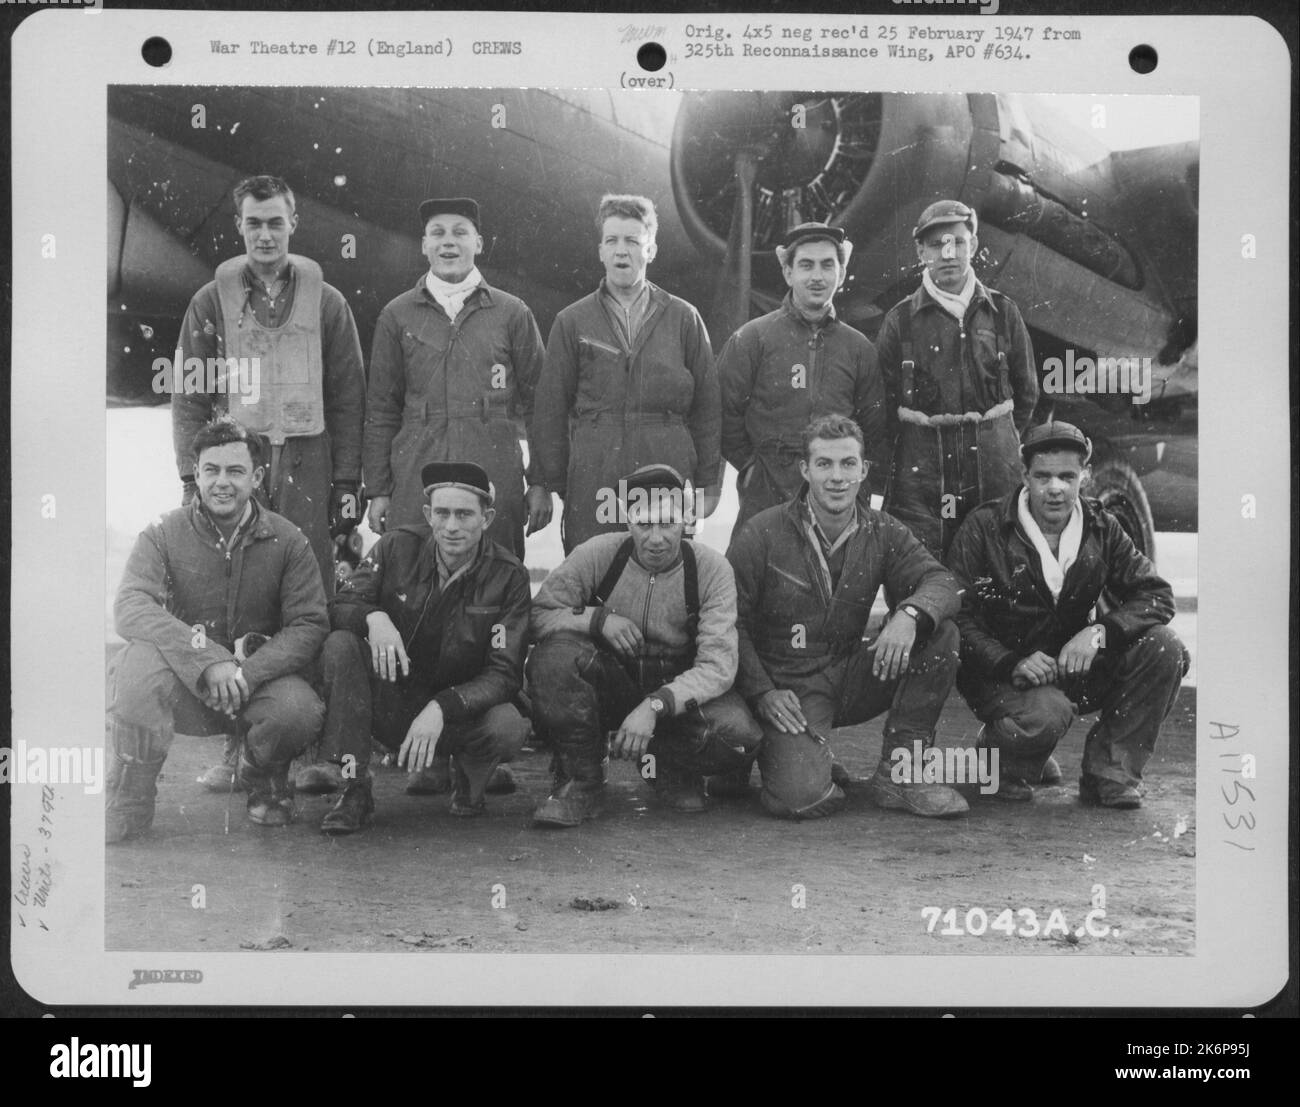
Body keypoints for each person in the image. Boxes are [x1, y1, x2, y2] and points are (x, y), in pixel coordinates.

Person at [172, 175, 365, 793]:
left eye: (275, 222)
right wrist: (190, 477)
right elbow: (190, 397)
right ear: (239, 227)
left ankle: (309, 746)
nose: (264, 234)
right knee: (235, 597)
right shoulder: (210, 301)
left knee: (307, 599)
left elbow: (349, 397)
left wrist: (345, 481)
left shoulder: (328, 303)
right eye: (254, 223)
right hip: (239, 464)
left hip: (309, 462)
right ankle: (244, 746)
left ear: (293, 224)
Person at [727, 414, 967, 819]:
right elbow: (730, 622)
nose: (837, 477)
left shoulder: (883, 530)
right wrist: (760, 692)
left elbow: (942, 581)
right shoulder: (762, 532)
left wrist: (909, 615)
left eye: (848, 464)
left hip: (850, 675)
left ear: (864, 470)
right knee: (800, 798)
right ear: (805, 469)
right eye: (824, 464)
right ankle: (784, 756)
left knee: (940, 632)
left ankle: (900, 773)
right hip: (789, 690)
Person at [107, 417, 328, 842]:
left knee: (298, 711)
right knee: (134, 672)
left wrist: (247, 672)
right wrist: (207, 659)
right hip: (187, 685)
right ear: (196, 473)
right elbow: (131, 606)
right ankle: (132, 795)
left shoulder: (289, 540)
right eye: (211, 471)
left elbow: (309, 623)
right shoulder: (162, 533)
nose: (221, 483)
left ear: (257, 476)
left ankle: (262, 775)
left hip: (253, 685)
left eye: (235, 471)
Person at [945, 421, 1188, 807]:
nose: (1055, 488)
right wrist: (1010, 662)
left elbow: (1156, 595)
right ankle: (999, 757)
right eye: (1043, 476)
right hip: (1003, 676)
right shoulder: (984, 526)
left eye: (1066, 476)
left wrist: (1099, 634)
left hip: (1071, 668)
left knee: (1164, 647)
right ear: (1024, 475)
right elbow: (956, 612)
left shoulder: (1103, 527)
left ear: (1084, 478)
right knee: (1043, 718)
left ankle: (1110, 773)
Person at [527, 465, 761, 827]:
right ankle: (583, 780)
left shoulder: (712, 569)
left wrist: (654, 706)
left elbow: (719, 665)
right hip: (613, 683)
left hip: (674, 696)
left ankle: (667, 766)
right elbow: (540, 614)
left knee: (738, 736)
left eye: (667, 522)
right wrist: (595, 619)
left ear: (685, 518)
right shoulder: (597, 554)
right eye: (644, 523)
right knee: (553, 660)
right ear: (627, 519)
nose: (656, 538)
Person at [315, 462, 532, 833]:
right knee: (341, 645)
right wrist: (374, 618)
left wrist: (442, 706)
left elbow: (504, 673)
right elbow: (341, 605)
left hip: (459, 713)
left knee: (508, 724)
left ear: (487, 517)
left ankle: (468, 776)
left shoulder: (508, 575)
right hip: (397, 704)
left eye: (465, 514)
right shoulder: (396, 547)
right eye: (443, 513)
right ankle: (355, 788)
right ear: (428, 515)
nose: (452, 526)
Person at [363, 197, 551, 557]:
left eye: (460, 232)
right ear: (424, 245)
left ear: (479, 243)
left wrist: (540, 481)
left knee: (495, 582)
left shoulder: (513, 313)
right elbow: (381, 411)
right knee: (412, 582)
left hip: (495, 477)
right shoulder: (397, 316)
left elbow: (539, 403)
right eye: (438, 233)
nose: (448, 241)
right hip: (416, 478)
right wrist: (379, 490)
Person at [533, 194, 721, 552]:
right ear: (600, 251)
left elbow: (708, 408)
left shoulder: (684, 318)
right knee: (593, 569)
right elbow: (550, 407)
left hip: (666, 463)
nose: (622, 251)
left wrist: (709, 483)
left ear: (650, 250)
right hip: (595, 468)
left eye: (633, 241)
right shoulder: (571, 321)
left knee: (665, 572)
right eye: (612, 241)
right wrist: (554, 481)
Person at [875, 200, 1038, 558]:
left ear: (974, 246)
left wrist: (994, 441)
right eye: (936, 245)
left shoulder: (1004, 313)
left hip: (995, 479)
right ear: (920, 251)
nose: (948, 254)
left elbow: (1026, 395)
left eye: (958, 243)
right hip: (922, 488)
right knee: (920, 577)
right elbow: (881, 411)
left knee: (999, 574)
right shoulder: (899, 321)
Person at [718, 222, 887, 537]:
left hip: (835, 497)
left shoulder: (859, 348)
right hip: (767, 494)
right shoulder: (753, 338)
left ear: (841, 272)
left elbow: (874, 429)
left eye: (827, 265)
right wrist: (753, 468)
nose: (817, 276)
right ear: (788, 273)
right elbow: (724, 413)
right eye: (806, 265)